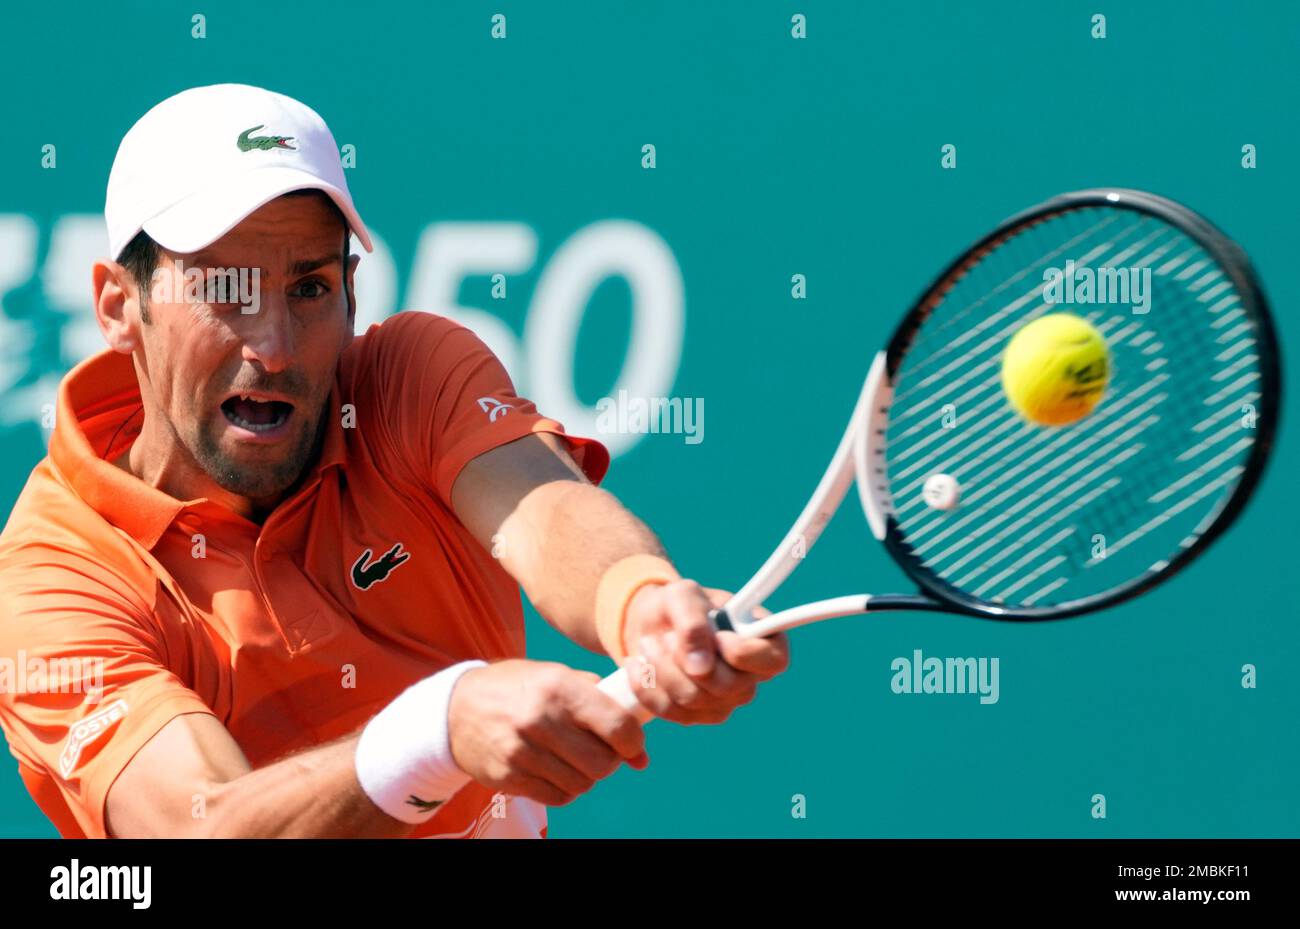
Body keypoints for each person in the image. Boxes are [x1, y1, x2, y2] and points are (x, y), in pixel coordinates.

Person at [0, 84, 788, 838]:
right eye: (225, 289)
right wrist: (434, 731)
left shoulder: (411, 375)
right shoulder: (47, 576)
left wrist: (637, 601)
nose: (272, 347)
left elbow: (547, 514)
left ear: (350, 290)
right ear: (117, 306)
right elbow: (194, 823)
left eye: (309, 288)